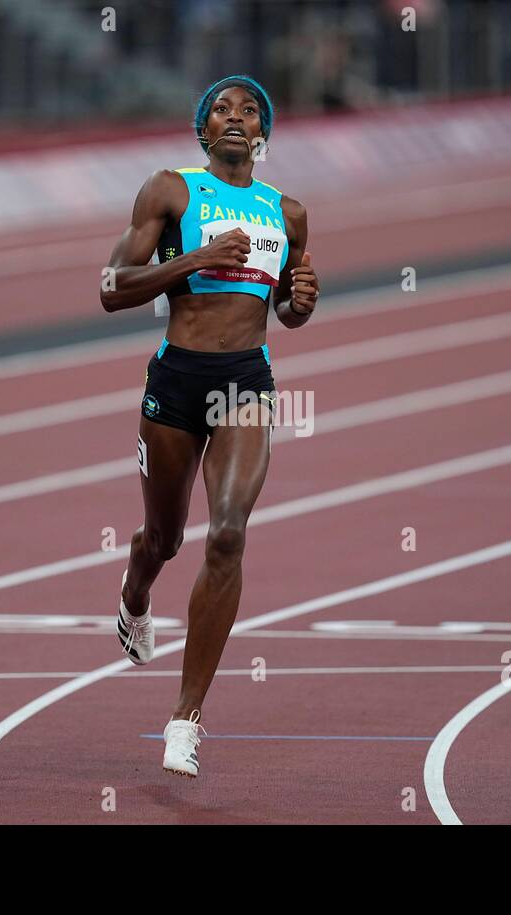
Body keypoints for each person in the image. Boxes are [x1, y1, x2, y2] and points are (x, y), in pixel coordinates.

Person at [100, 76, 319, 776]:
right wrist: (196, 259)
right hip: (176, 380)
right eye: (221, 107)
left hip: (245, 383)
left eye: (249, 109)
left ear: (263, 134)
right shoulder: (170, 190)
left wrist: (301, 305)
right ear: (203, 130)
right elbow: (110, 289)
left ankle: (185, 718)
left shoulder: (288, 213)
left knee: (226, 532)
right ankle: (135, 596)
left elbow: (284, 309)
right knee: (163, 538)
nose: (235, 115)